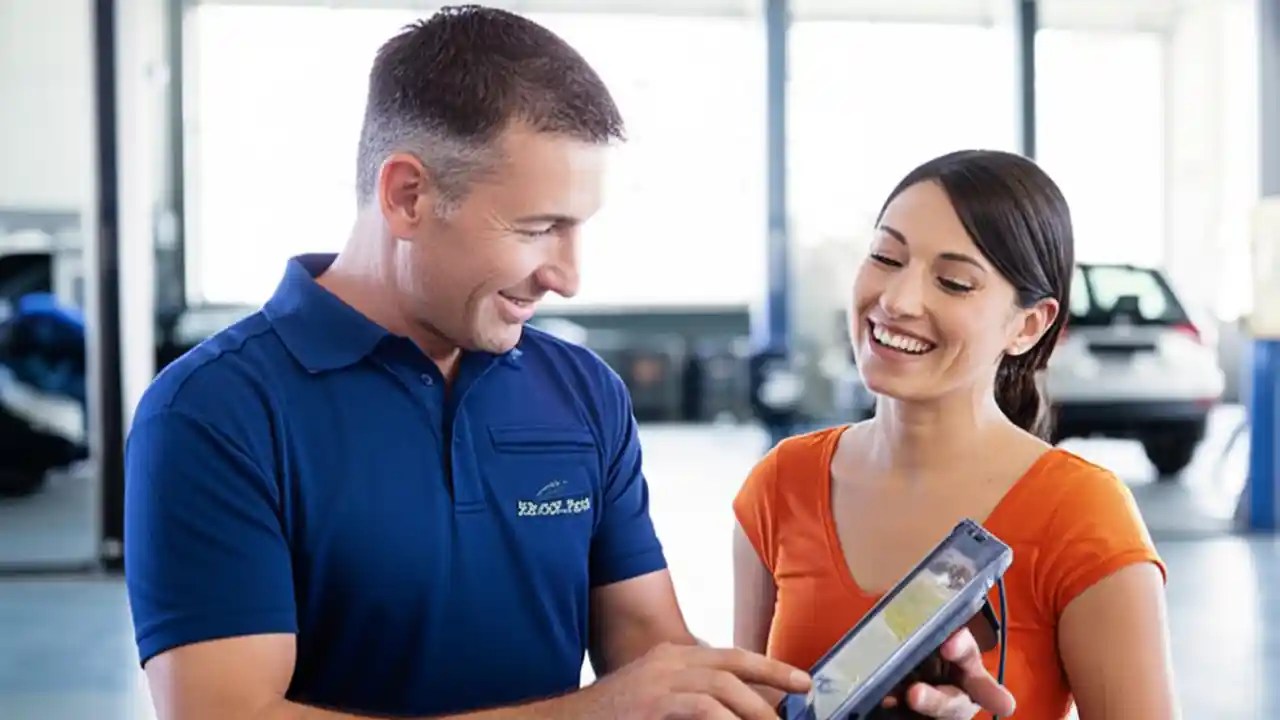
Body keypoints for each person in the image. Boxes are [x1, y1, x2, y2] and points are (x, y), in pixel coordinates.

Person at [125, 7, 1012, 719]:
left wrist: (850, 700)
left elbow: (652, 662)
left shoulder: (580, 393)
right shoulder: (213, 414)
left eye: (579, 225)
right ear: (406, 195)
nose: (567, 273)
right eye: (537, 226)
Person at [733, 150, 1180, 719]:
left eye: (953, 282)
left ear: (1028, 325)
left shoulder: (1082, 512)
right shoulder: (781, 485)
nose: (896, 301)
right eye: (885, 257)